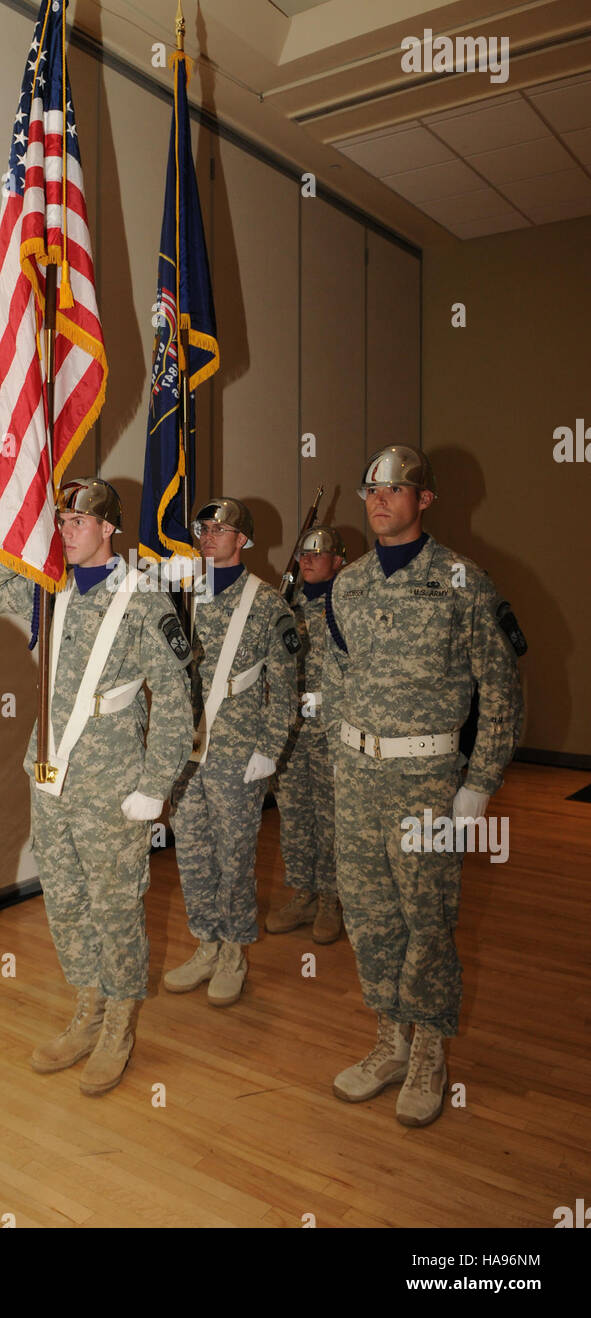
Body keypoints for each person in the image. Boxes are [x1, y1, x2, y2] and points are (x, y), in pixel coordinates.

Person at [0, 478, 193, 1095]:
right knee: (63, 899)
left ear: (109, 528)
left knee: (115, 905)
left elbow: (173, 700)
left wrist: (155, 783)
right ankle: (86, 1005)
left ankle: (119, 1019)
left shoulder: (144, 600)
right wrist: (6, 514)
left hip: (114, 778)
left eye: (76, 522)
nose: (65, 531)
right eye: (59, 520)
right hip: (49, 770)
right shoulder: (47, 585)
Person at [322, 446, 523, 1127]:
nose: (378, 500)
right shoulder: (346, 585)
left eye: (394, 489)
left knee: (426, 922)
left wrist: (480, 783)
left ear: (425, 500)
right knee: (369, 919)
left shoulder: (462, 582)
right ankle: (387, 1042)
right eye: (369, 489)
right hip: (355, 778)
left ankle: (429, 1052)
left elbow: (501, 690)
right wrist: (334, 766)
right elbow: (333, 683)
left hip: (426, 784)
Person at [164, 498, 298, 1006]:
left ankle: (235, 952)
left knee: (236, 857)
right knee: (193, 853)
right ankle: (206, 944)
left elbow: (286, 687)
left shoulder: (267, 605)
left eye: (222, 528)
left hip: (237, 750)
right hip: (187, 749)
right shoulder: (183, 594)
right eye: (204, 527)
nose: (209, 534)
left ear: (244, 540)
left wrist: (270, 748)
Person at [267, 526, 346, 944]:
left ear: (339, 562)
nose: (310, 559)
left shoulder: (350, 606)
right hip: (290, 729)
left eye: (321, 553)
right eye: (305, 553)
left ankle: (333, 897)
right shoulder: (283, 605)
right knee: (295, 814)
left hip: (332, 728)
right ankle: (303, 891)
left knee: (332, 815)